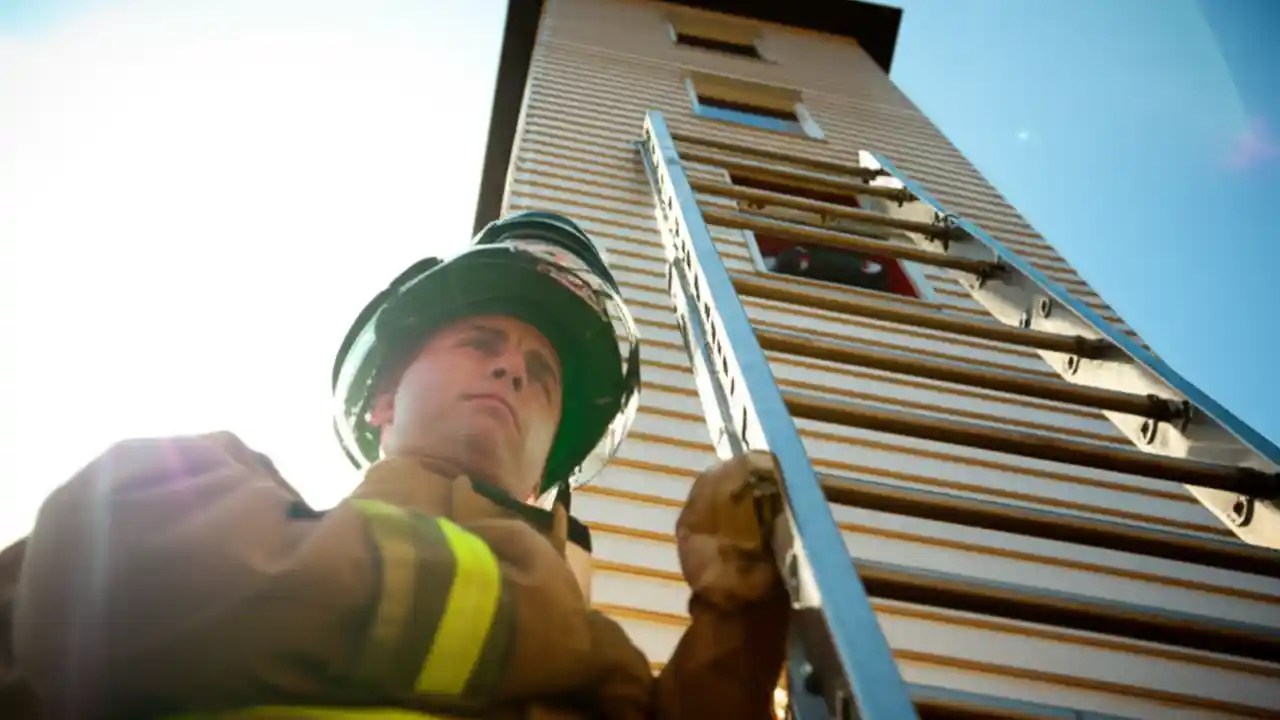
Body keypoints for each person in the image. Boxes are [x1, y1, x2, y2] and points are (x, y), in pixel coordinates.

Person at [0, 212, 789, 719]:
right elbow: (105, 580)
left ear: (549, 459)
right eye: (480, 344)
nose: (513, 372)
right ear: (382, 402)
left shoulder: (601, 656)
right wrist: (541, 615)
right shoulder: (205, 490)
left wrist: (742, 607)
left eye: (541, 375)